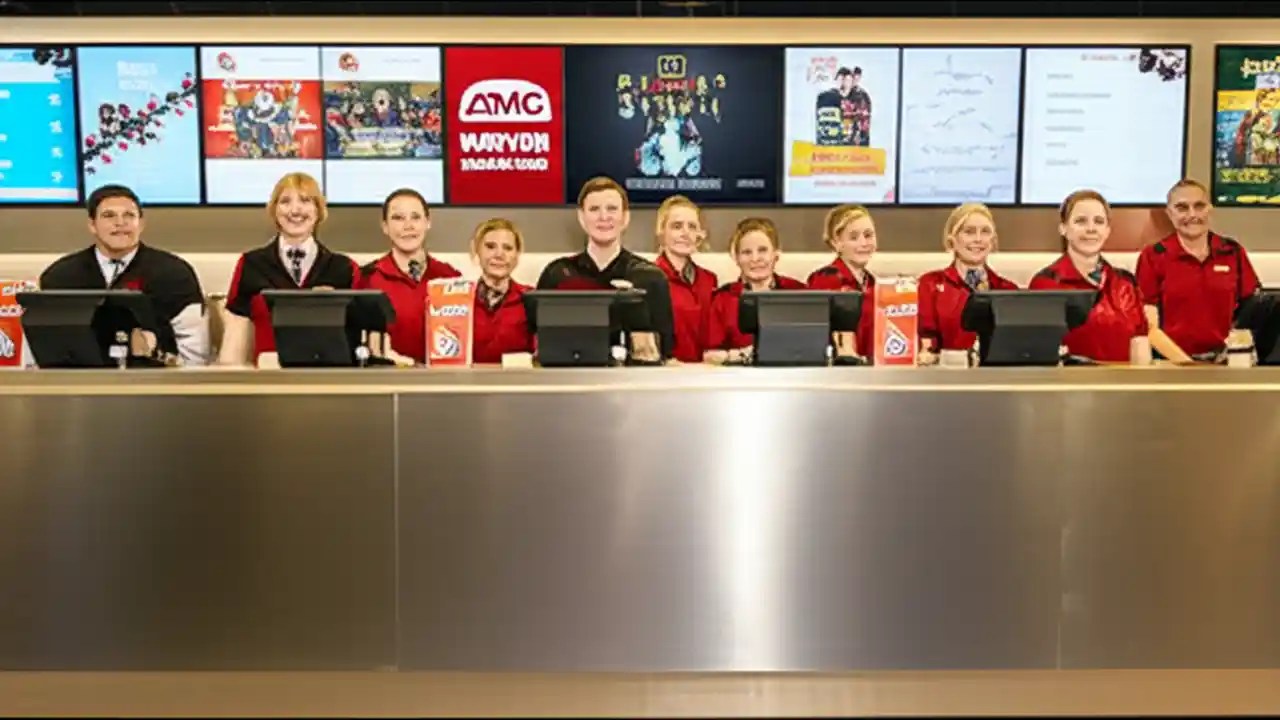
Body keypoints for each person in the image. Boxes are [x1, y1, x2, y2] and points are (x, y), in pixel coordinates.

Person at [39, 184, 209, 366]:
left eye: (129, 215)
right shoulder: (60, 276)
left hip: (157, 384)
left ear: (141, 224)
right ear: (92, 225)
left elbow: (194, 352)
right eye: (109, 216)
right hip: (76, 385)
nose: (120, 223)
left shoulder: (174, 274)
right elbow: (39, 345)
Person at [219, 172, 360, 367]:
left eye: (305, 201)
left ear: (318, 210)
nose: (295, 210)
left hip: (329, 382)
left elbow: (358, 340)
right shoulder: (251, 264)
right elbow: (234, 343)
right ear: (274, 210)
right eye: (285, 201)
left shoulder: (344, 269)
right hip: (268, 383)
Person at [536, 176, 675, 362]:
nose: (603, 217)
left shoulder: (650, 277)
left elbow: (664, 350)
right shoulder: (556, 274)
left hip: (632, 385)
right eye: (594, 209)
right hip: (570, 383)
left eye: (612, 209)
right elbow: (541, 343)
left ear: (625, 217)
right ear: (581, 217)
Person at [1135, 178, 1260, 364]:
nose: (1192, 214)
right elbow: (1149, 327)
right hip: (1173, 363)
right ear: (1169, 213)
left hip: (1226, 363)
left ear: (1209, 208)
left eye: (1199, 206)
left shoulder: (1232, 252)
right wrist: (1189, 367)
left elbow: (1251, 316)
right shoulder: (1153, 256)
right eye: (1182, 208)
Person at [1029, 189, 1147, 363]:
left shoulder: (1125, 283)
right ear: (1063, 228)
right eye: (1081, 221)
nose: (1091, 229)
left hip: (1122, 386)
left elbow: (1140, 345)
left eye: (1099, 222)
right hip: (1068, 387)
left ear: (1107, 230)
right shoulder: (1045, 283)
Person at [354, 188, 461, 364]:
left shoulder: (451, 278)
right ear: (385, 227)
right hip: (387, 382)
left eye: (415, 217)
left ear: (428, 222)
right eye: (398, 218)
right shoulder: (366, 279)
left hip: (441, 382)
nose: (408, 226)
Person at [916, 203, 1018, 362]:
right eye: (969, 232)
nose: (978, 239)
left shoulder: (1008, 290)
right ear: (952, 240)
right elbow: (926, 343)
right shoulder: (929, 285)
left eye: (985, 232)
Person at [704, 217, 806, 364]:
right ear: (736, 257)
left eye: (763, 250)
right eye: (746, 252)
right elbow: (710, 356)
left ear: (776, 254)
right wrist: (743, 355)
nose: (755, 258)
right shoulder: (722, 299)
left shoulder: (799, 292)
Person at [806, 204, 877, 359]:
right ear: (836, 243)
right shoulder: (824, 280)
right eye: (854, 237)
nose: (863, 243)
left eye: (868, 235)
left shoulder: (873, 283)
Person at [652, 194, 717, 363]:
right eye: (677, 226)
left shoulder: (709, 280)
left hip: (705, 375)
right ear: (661, 232)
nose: (685, 233)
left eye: (692, 227)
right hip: (664, 376)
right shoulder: (649, 278)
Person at [470, 218, 533, 364]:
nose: (499, 254)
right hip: (468, 384)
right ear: (477, 251)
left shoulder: (531, 299)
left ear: (517, 255)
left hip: (517, 384)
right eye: (490, 246)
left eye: (508, 248)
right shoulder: (458, 299)